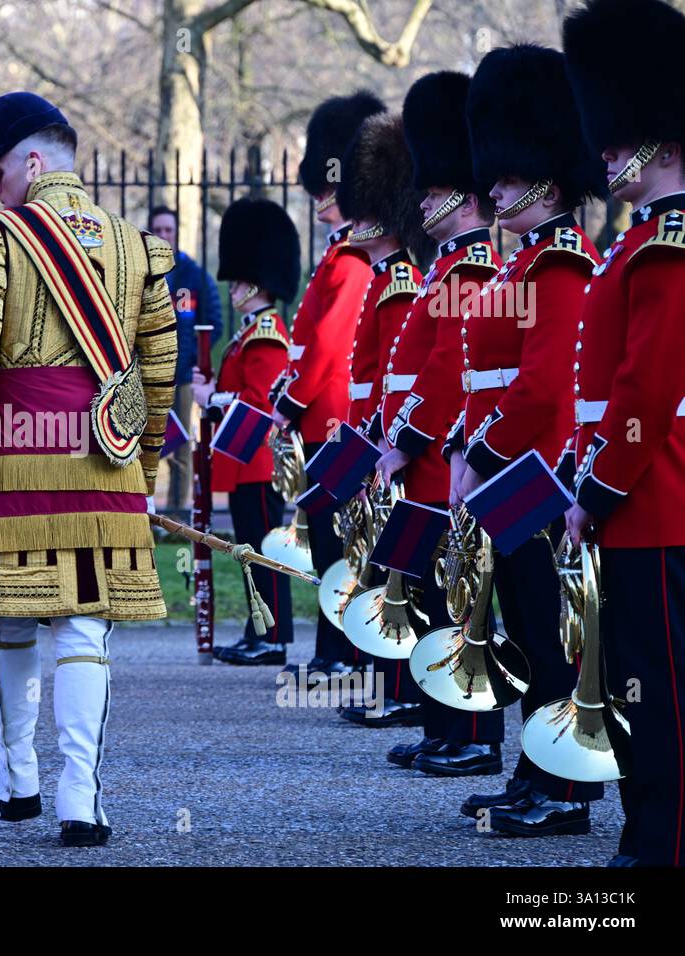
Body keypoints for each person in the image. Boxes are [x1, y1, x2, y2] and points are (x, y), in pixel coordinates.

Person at [0, 91, 177, 847]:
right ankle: (82, 795)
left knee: (11, 614)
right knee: (84, 628)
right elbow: (160, 367)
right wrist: (142, 457)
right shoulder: (138, 247)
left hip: (16, 452)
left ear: (34, 162)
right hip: (105, 461)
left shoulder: (0, 241)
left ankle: (17, 773)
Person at [440, 43, 608, 834]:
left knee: (548, 634)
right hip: (510, 472)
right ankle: (536, 770)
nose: (494, 189)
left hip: (536, 477)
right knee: (525, 629)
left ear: (545, 174)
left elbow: (546, 389)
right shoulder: (527, 264)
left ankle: (567, 790)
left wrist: (479, 454)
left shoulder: (562, 266)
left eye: (506, 177)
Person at [563, 0, 685, 867]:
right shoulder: (639, 241)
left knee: (663, 698)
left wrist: (599, 488)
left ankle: (662, 846)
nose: (605, 156)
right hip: (643, 498)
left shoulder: (669, 242)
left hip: (657, 500)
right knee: (645, 691)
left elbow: (648, 386)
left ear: (660, 138)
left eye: (617, 142)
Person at [373, 72, 504, 769]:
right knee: (427, 592)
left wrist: (414, 440)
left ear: (459, 192)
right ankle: (445, 726)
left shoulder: (473, 270)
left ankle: (475, 737)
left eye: (431, 190)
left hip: (437, 462)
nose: (423, 200)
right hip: (416, 459)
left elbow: (454, 372)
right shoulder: (448, 268)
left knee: (458, 598)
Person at [332, 110, 442, 730]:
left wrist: (383, 433)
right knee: (386, 561)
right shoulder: (383, 280)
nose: (353, 219)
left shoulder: (400, 280)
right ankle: (396, 687)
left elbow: (402, 380)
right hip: (379, 439)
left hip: (401, 446)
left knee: (405, 568)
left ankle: (403, 690)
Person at [271, 91, 384, 682]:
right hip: (325, 419)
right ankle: (334, 648)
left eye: (327, 188)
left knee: (341, 541)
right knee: (329, 538)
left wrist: (292, 401)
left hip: (334, 419)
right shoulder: (341, 257)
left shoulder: (351, 262)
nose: (320, 200)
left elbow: (329, 351)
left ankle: (340, 651)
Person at [193, 198, 298, 666]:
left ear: (254, 283)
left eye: (237, 281)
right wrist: (215, 390)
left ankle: (271, 638)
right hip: (243, 462)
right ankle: (260, 633)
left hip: (258, 462)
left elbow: (262, 401)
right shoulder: (249, 332)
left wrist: (212, 399)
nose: (231, 287)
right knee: (250, 549)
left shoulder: (267, 333)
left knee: (262, 550)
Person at [148, 205, 221, 514]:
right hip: (146, 376)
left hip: (182, 377)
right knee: (147, 442)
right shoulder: (144, 271)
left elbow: (214, 322)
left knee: (179, 446)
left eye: (169, 230)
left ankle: (177, 514)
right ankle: (145, 509)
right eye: (159, 230)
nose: (164, 235)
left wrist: (193, 356)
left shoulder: (194, 275)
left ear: (177, 233)